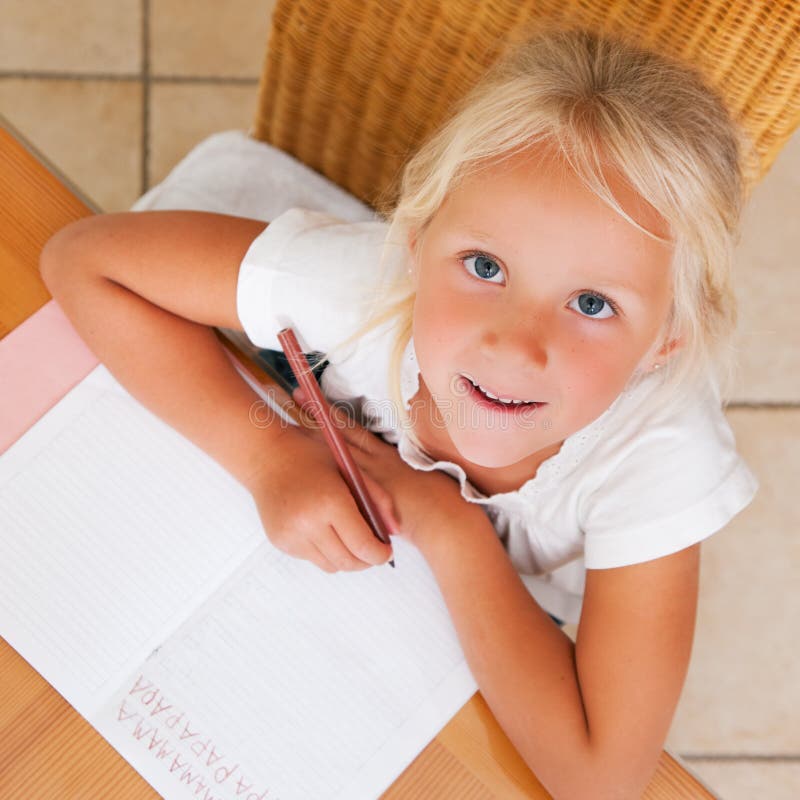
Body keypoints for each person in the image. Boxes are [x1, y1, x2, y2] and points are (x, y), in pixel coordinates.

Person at [40, 28, 759, 800]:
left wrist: (450, 527)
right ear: (415, 243)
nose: (514, 347)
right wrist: (266, 456)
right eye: (485, 266)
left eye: (592, 303)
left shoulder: (659, 459)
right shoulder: (358, 284)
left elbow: (600, 778)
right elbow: (83, 259)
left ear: (663, 342)